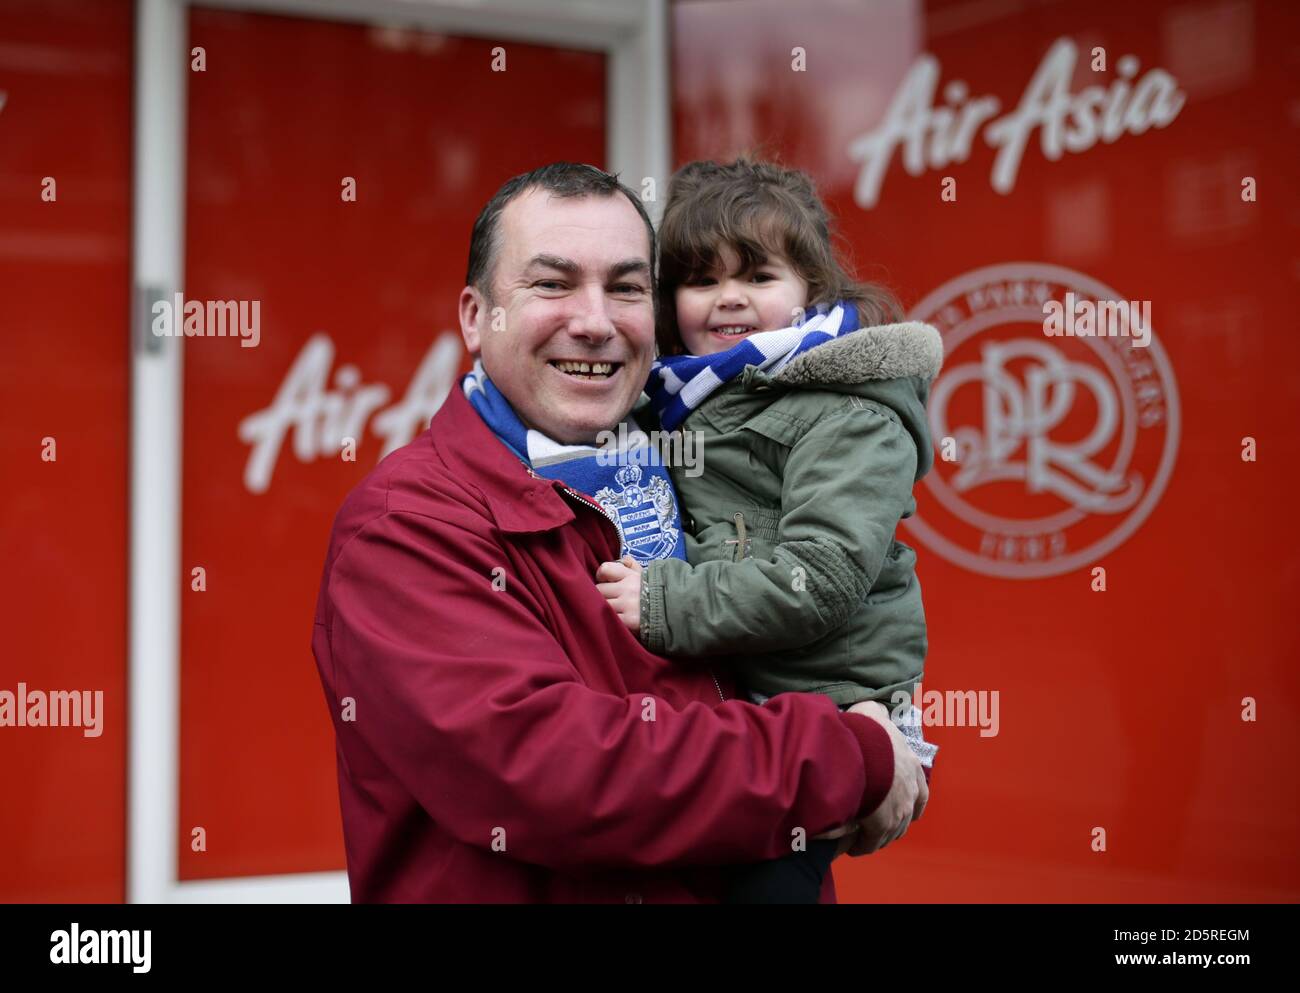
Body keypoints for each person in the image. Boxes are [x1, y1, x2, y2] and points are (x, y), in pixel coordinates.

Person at [310, 162, 927, 903]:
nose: (596, 322)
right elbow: (559, 773)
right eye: (552, 283)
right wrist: (849, 754)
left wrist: (870, 704)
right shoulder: (405, 526)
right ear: (476, 317)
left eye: (627, 287)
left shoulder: (686, 450)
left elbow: (822, 603)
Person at [595, 157, 941, 903]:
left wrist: (665, 602)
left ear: (812, 289)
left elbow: (821, 574)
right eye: (702, 279)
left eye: (757, 276)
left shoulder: (849, 408)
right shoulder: (684, 397)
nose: (729, 300)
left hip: (842, 701)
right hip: (764, 712)